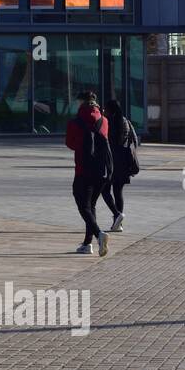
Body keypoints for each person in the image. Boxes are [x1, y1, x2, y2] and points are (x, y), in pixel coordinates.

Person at [64, 91, 111, 256]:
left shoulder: (76, 122)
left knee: (83, 204)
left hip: (83, 169)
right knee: (91, 205)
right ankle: (87, 244)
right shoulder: (104, 120)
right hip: (103, 171)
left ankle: (99, 234)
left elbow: (70, 143)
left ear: (82, 102)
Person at [100, 98, 137, 232]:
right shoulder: (125, 121)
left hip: (111, 161)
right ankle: (118, 224)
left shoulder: (108, 122)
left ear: (110, 110)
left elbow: (105, 142)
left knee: (104, 190)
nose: (103, 111)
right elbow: (135, 141)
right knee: (118, 192)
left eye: (105, 109)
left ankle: (117, 215)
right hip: (124, 162)